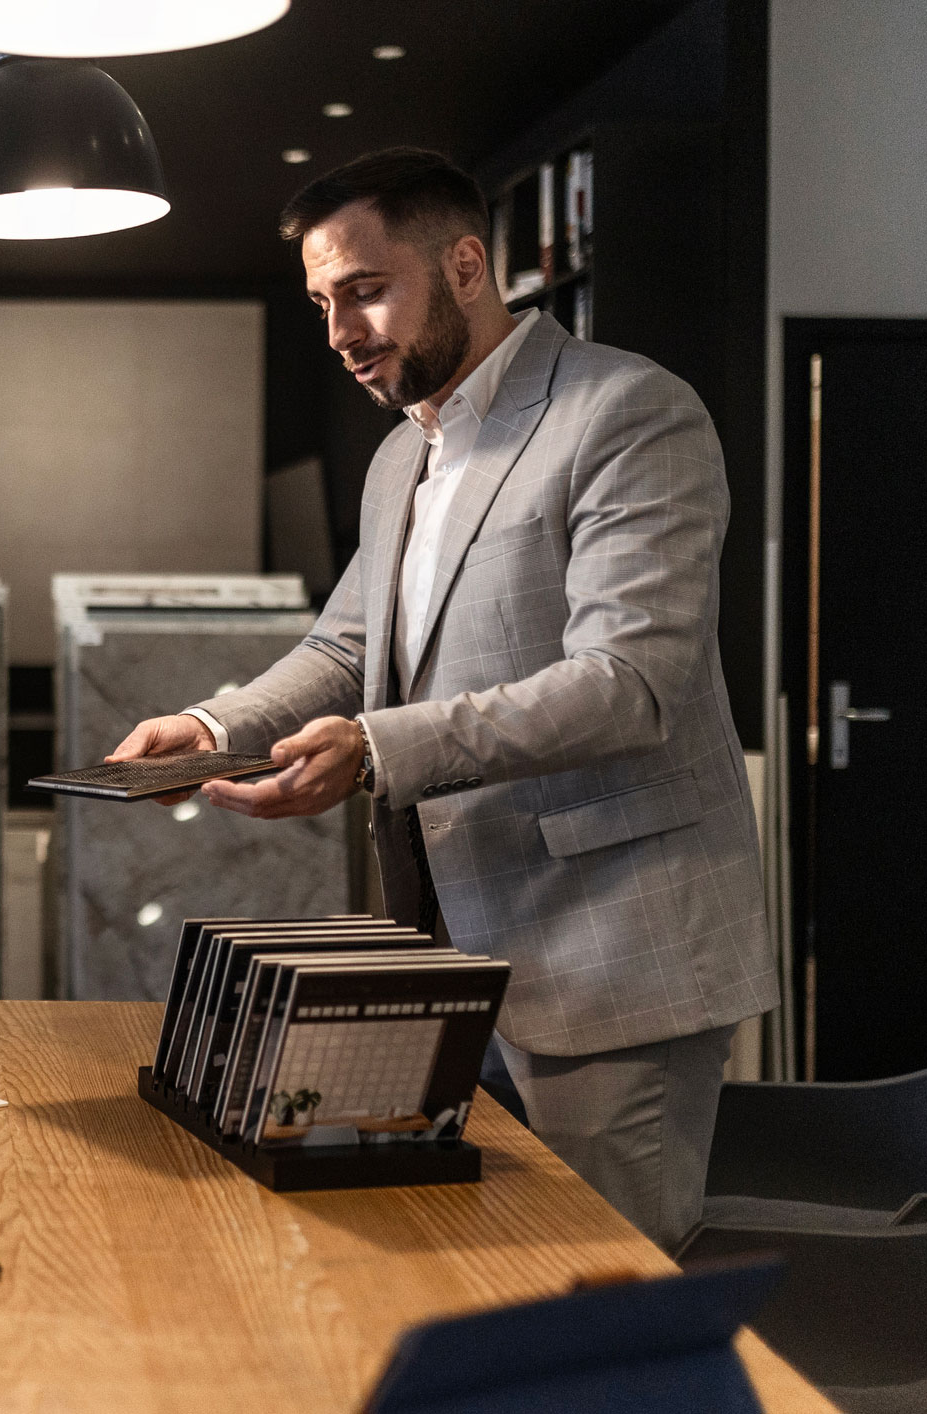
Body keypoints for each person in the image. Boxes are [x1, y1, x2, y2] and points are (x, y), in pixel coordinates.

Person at [111, 148, 776, 1251]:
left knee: (611, 1296)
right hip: (442, 949)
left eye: (367, 291)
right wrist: (219, 727)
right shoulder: (396, 461)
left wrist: (375, 748)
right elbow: (349, 643)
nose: (340, 332)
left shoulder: (629, 411)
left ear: (467, 264)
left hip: (611, 952)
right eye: (324, 302)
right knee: (467, 1272)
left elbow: (629, 684)